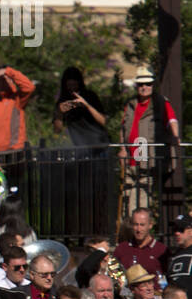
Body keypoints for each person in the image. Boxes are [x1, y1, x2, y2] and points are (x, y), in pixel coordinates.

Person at [121, 66, 180, 217]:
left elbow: (171, 121)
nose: (144, 87)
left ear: (153, 85)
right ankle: (129, 237)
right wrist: (122, 149)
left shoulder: (160, 103)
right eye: (141, 84)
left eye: (148, 84)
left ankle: (136, 236)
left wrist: (175, 136)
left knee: (137, 207)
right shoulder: (130, 105)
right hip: (130, 163)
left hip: (147, 162)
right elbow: (123, 129)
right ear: (136, 86)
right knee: (126, 204)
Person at [0, 65, 34, 153]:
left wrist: (8, 71)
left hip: (13, 152)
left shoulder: (16, 100)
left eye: (4, 78)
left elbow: (29, 87)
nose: (1, 82)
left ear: (11, 79)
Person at [54, 66, 108, 149]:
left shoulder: (90, 96)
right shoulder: (63, 101)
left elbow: (103, 121)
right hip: (79, 148)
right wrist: (59, 113)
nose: (72, 88)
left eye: (74, 85)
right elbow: (57, 130)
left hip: (99, 144)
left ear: (79, 83)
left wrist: (86, 105)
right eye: (69, 85)